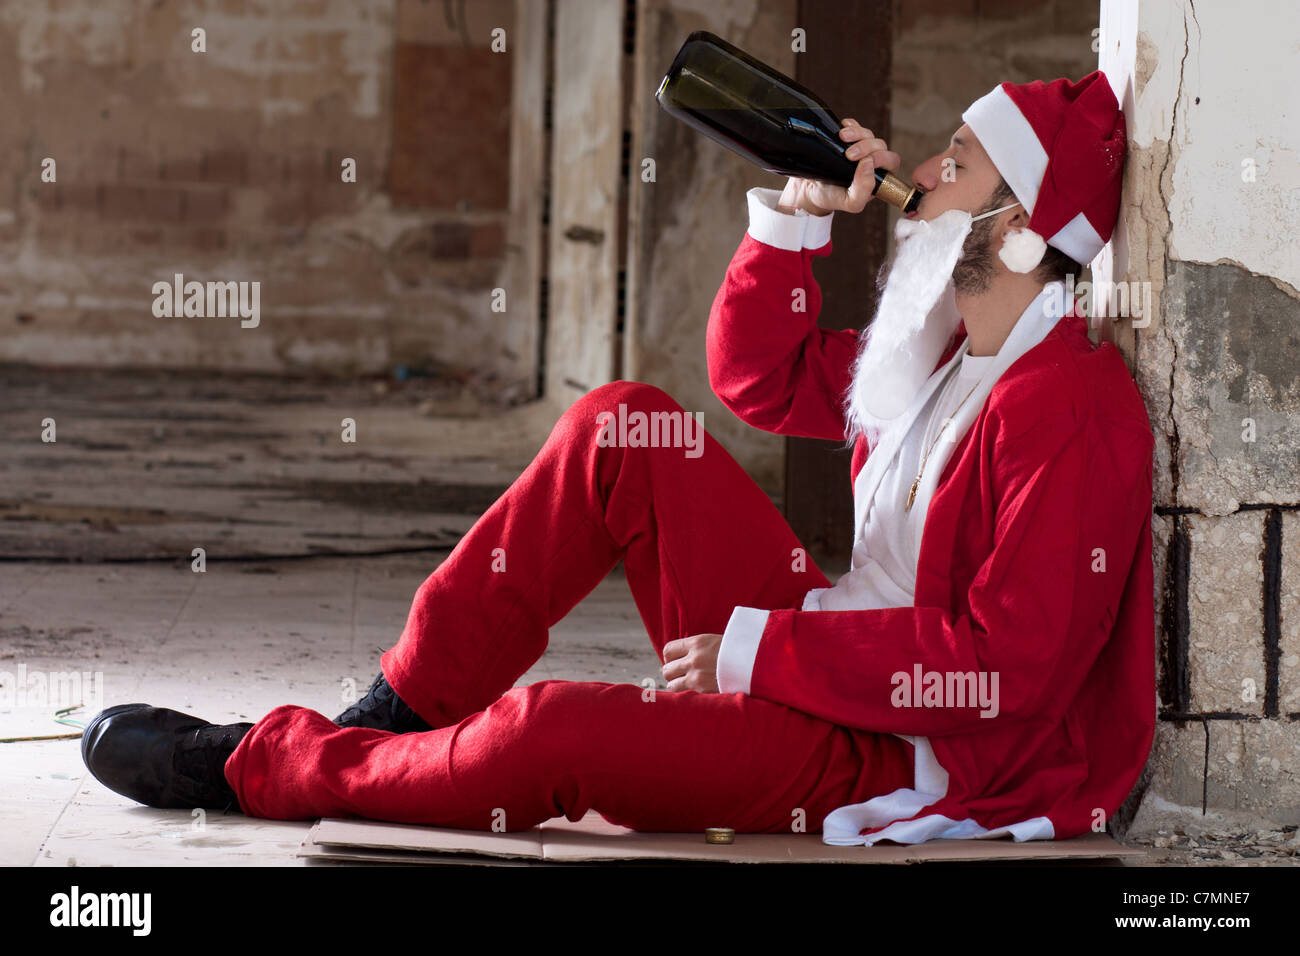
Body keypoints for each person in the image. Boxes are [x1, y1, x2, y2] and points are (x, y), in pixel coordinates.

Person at [82, 71, 1156, 846]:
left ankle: (259, 763)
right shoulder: (942, 350)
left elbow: (998, 670)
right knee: (619, 423)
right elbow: (759, 380)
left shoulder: (1068, 400)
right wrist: (794, 221)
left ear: (1017, 226)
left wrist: (761, 655)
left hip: (899, 750)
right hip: (820, 648)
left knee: (556, 731)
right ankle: (399, 711)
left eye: (955, 166)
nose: (919, 173)